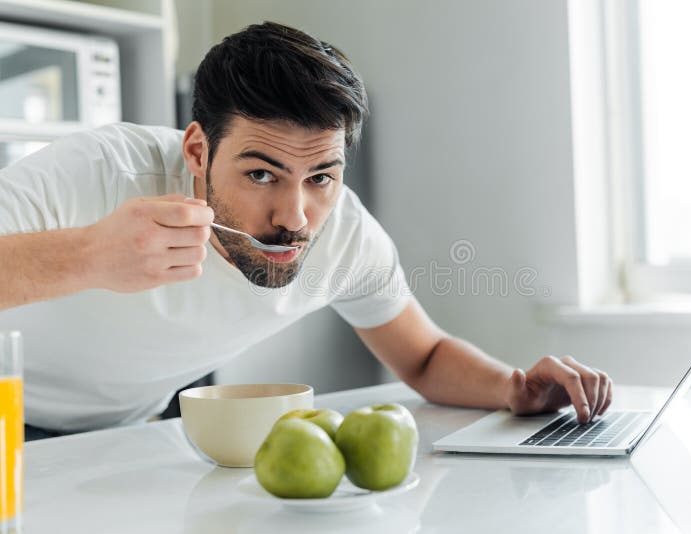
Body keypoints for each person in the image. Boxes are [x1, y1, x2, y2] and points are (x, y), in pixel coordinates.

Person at [0, 21, 612, 440]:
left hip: (125, 434)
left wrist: (514, 388)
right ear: (196, 151)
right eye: (262, 173)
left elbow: (423, 356)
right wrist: (86, 256)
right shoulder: (98, 174)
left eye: (321, 175)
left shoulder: (346, 237)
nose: (295, 217)